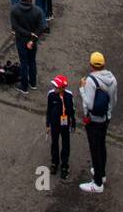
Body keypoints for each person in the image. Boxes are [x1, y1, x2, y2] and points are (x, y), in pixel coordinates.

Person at [79, 53, 117, 193]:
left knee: (95, 149)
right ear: (103, 64)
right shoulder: (112, 79)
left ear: (91, 65)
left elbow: (88, 104)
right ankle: (101, 173)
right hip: (105, 118)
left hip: (94, 120)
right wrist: (107, 113)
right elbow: (113, 100)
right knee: (102, 145)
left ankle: (97, 183)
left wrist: (82, 88)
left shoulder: (90, 80)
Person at [10, 0, 45, 94]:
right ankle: (33, 83)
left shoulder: (14, 10)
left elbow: (15, 26)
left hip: (21, 40)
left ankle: (24, 87)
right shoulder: (37, 11)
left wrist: (26, 34)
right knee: (32, 61)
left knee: (24, 63)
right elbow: (41, 27)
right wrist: (32, 39)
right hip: (32, 41)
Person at [45, 76, 76, 180]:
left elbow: (72, 111)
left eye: (57, 87)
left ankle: (64, 166)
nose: (54, 88)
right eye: (54, 86)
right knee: (54, 143)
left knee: (65, 144)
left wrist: (73, 124)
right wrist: (48, 124)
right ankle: (55, 162)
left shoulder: (69, 96)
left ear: (63, 88)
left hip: (65, 124)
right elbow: (48, 110)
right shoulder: (51, 95)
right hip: (54, 124)